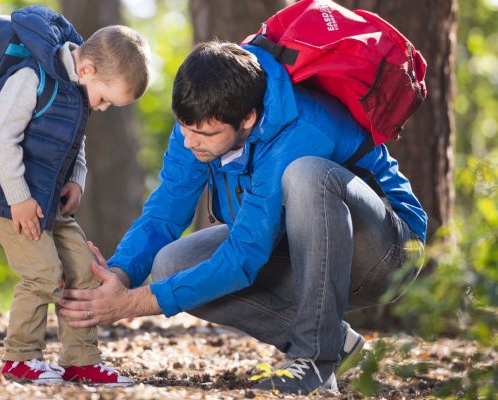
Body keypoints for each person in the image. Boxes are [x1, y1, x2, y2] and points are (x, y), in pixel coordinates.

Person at [59, 40, 426, 395]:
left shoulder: (300, 130)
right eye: (184, 128)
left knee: (308, 175)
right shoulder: (201, 116)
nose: (189, 142)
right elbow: (163, 215)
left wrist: (132, 304)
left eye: (203, 134)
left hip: (384, 254)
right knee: (172, 265)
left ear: (248, 119)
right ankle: (334, 340)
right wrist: (118, 276)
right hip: (297, 247)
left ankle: (315, 358)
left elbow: (244, 258)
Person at [0, 6, 151, 386]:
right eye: (104, 100)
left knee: (84, 269)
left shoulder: (79, 92)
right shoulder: (29, 77)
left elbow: (75, 139)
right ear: (87, 70)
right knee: (43, 274)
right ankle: (20, 359)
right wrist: (19, 198)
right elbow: (1, 140)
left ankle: (81, 360)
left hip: (51, 200)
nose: (100, 108)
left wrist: (78, 179)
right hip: (11, 201)